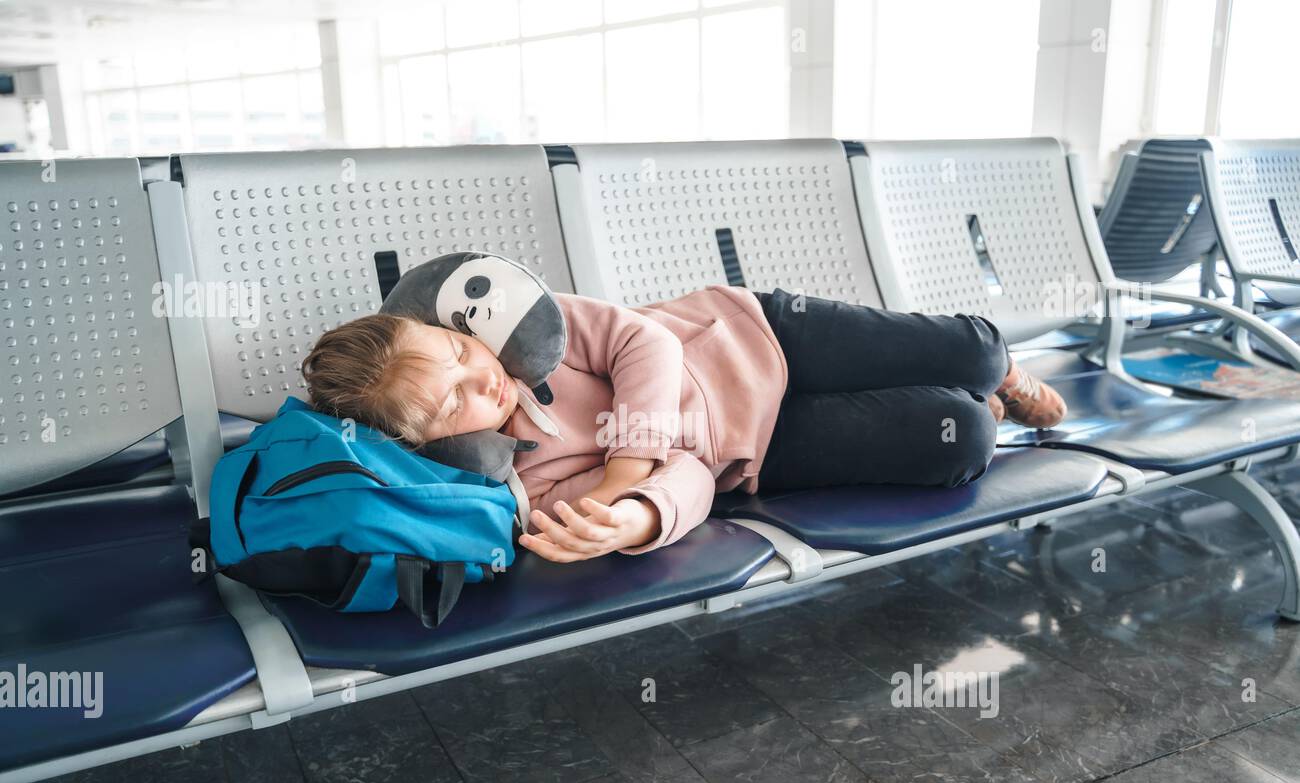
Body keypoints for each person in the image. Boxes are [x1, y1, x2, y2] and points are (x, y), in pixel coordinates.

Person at [301, 286, 1066, 562]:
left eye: (461, 352)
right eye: (454, 401)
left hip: (755, 337)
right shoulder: (522, 480)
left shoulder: (530, 326)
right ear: (421, 444)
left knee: (973, 350)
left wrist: (625, 467)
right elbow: (694, 478)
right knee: (962, 438)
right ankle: (981, 405)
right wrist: (635, 516)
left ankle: (997, 377)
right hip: (760, 448)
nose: (486, 375)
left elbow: (647, 341)